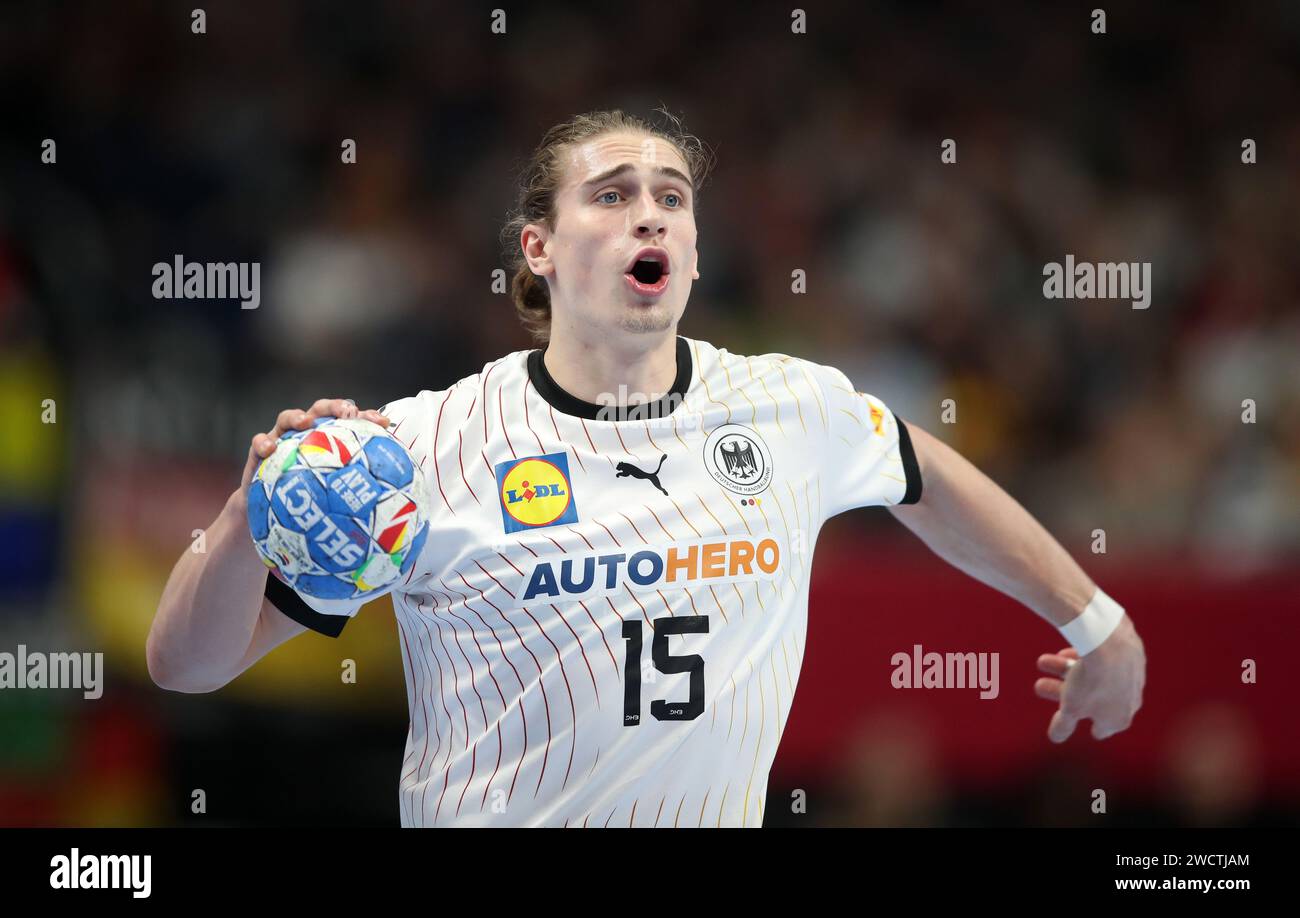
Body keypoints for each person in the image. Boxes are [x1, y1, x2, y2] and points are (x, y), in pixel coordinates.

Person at [147, 109, 1146, 827]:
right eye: (613, 194)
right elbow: (187, 666)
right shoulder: (420, 448)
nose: (651, 214)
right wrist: (247, 517)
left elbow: (923, 474)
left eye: (671, 197)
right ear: (537, 246)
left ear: (695, 252)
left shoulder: (786, 406)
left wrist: (1091, 617)